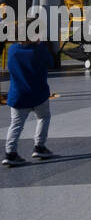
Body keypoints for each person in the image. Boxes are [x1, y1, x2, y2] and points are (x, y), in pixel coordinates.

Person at [4, 13, 57, 166]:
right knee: (43, 117)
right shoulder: (38, 50)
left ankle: (10, 153)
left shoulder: (13, 50)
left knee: (16, 124)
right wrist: (42, 46)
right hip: (38, 93)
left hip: (18, 95)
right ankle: (39, 146)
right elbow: (50, 62)